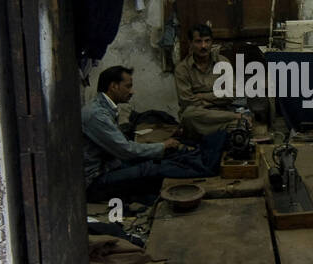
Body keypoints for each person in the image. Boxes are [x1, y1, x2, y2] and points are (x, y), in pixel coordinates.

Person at [82, 65, 225, 203]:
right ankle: (202, 170)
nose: (132, 92)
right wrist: (162, 146)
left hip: (109, 166)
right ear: (113, 86)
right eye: (128, 86)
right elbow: (126, 150)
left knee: (155, 160)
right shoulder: (97, 115)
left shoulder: (103, 108)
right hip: (94, 181)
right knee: (151, 169)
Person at [173, 24, 252, 137]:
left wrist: (202, 96)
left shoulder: (223, 62)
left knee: (246, 124)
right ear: (190, 43)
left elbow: (231, 94)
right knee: (189, 115)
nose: (203, 46)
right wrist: (217, 98)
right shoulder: (182, 69)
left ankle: (220, 129)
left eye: (207, 41)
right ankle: (233, 121)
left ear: (212, 42)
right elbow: (187, 101)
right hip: (199, 114)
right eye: (198, 41)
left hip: (221, 112)